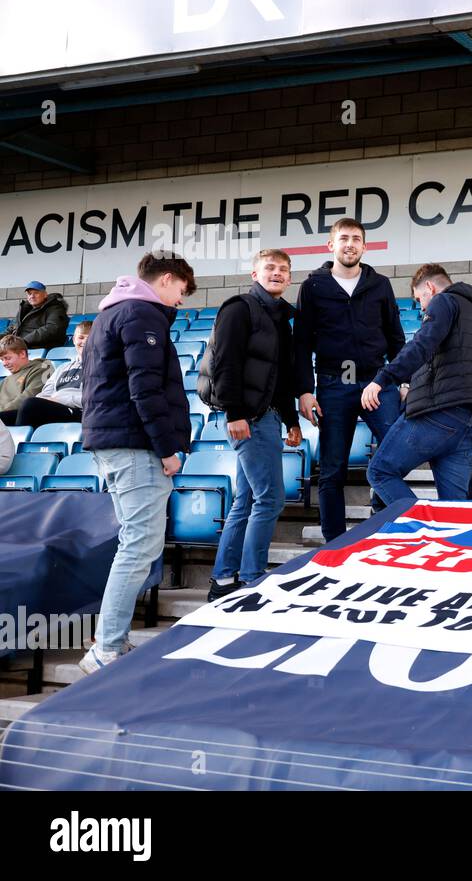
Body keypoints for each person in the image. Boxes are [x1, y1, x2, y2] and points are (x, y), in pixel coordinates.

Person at [79, 252, 195, 673]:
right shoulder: (140, 313)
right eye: (180, 292)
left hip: (115, 441)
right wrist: (167, 448)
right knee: (139, 546)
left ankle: (112, 641)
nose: (179, 303)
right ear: (167, 280)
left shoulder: (114, 312)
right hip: (134, 444)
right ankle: (106, 648)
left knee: (135, 544)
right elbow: (144, 389)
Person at [198, 249, 301, 601]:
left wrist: (291, 420)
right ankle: (253, 578)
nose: (277, 273)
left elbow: (281, 378)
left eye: (283, 270)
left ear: (289, 278)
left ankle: (224, 580)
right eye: (269, 268)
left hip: (269, 416)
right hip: (248, 417)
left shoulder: (281, 319)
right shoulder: (239, 308)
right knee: (270, 498)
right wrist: (234, 414)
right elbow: (225, 364)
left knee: (246, 499)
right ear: (254, 274)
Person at [294, 217, 405, 542]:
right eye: (344, 238)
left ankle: (379, 519)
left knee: (396, 455)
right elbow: (300, 343)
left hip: (376, 382)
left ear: (364, 246)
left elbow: (395, 337)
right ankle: (335, 544)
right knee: (332, 470)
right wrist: (304, 390)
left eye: (356, 238)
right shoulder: (314, 286)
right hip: (333, 384)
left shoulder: (380, 284)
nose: (350, 244)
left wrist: (404, 380)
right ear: (331, 245)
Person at [362, 263, 472, 505]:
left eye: (419, 299)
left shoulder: (443, 301)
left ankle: (421, 527)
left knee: (380, 472)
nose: (421, 306)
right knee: (454, 508)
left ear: (429, 287)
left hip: (442, 411)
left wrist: (383, 379)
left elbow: (422, 344)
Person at [6, 320, 92, 429]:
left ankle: (19, 444)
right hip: (56, 408)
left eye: (89, 338)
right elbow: (45, 394)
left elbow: (94, 399)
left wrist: (60, 399)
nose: (84, 341)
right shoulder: (62, 368)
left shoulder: (100, 367)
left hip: (80, 412)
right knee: (3, 418)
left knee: (30, 405)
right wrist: (46, 400)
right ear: (74, 340)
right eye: (81, 337)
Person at [0, 334, 53, 421]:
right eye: (2, 360)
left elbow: (28, 399)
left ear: (22, 354)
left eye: (7, 358)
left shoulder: (42, 369)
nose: (4, 363)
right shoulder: (5, 381)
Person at [5, 281, 70, 350]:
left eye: (36, 293)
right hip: (19, 348)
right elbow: (12, 327)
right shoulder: (25, 310)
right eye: (29, 294)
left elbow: (52, 328)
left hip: (39, 349)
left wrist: (23, 341)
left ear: (45, 294)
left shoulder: (55, 308)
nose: (32, 296)